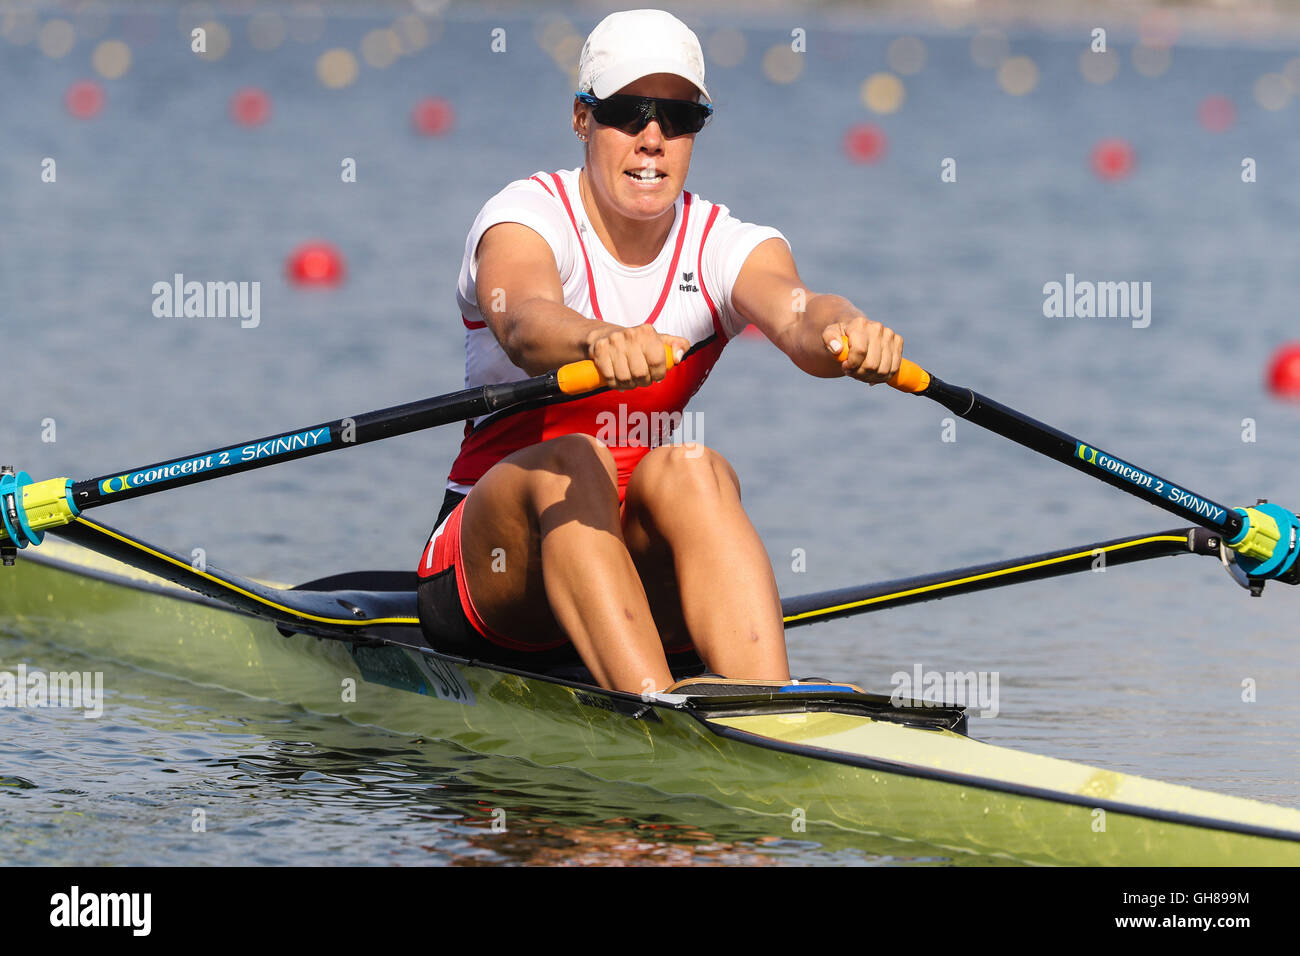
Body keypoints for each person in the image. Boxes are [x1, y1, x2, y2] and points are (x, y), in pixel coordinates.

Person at [417, 9, 903, 696]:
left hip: (631, 566)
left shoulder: (726, 242)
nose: (653, 138)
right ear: (582, 119)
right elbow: (524, 323)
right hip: (494, 571)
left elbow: (799, 313)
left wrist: (846, 328)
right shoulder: (527, 216)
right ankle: (652, 711)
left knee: (695, 468)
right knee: (574, 457)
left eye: (677, 117)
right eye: (628, 111)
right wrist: (596, 339)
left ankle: (771, 716)